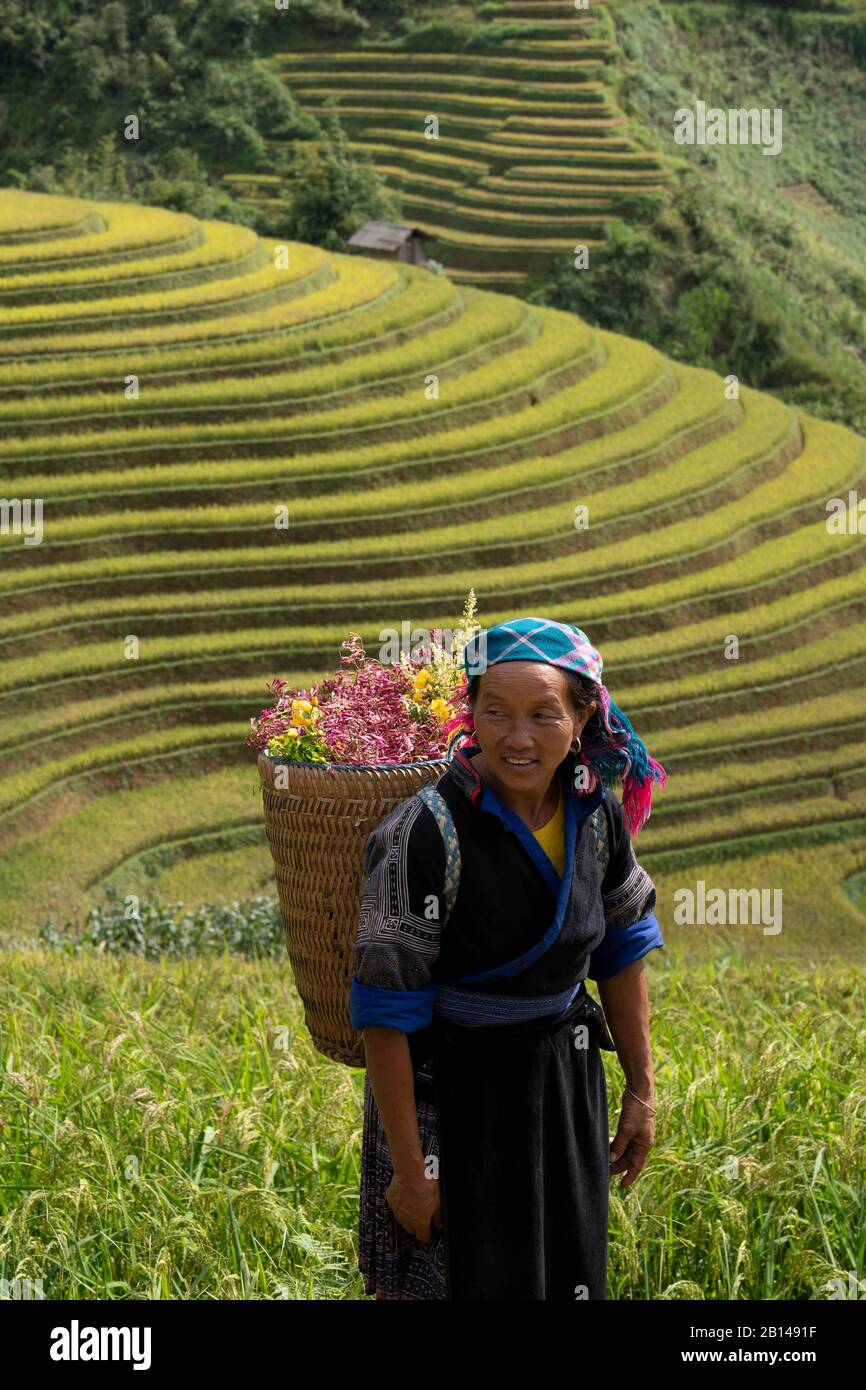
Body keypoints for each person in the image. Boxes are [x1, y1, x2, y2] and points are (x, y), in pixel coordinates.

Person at [349, 616, 667, 1300]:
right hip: (451, 1097)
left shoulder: (597, 817)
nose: (516, 738)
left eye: (542, 715)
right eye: (494, 712)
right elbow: (384, 1009)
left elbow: (622, 948)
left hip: (561, 1088)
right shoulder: (423, 833)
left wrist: (640, 1089)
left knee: (560, 1272)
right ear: (471, 714)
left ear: (584, 716)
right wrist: (410, 1172)